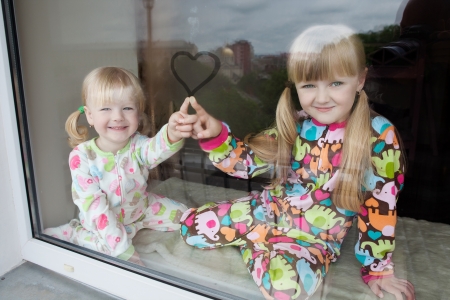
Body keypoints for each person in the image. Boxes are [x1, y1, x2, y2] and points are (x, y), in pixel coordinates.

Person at [180, 25, 415, 300]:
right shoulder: (296, 123)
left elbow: (380, 204)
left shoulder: (379, 136)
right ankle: (256, 237)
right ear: (296, 86)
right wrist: (217, 136)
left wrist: (377, 269)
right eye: (309, 85)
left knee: (285, 290)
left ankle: (252, 244)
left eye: (336, 83)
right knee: (190, 230)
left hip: (313, 239)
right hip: (265, 212)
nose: (322, 97)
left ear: (360, 79)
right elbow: (246, 163)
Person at [44, 67, 196, 265]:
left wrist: (172, 133)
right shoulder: (82, 157)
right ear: (90, 116)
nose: (118, 116)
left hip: (141, 209)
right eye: (106, 108)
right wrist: (123, 249)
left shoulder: (138, 145)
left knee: (186, 216)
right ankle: (73, 233)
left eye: (127, 108)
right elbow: (95, 207)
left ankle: (133, 229)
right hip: (102, 222)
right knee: (105, 247)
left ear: (138, 112)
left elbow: (155, 150)